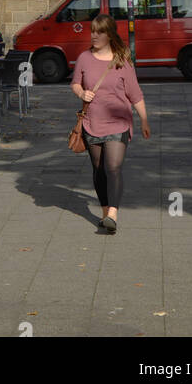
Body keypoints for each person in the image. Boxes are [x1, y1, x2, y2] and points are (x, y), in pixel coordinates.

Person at [70, 15, 150, 233]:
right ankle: (105, 212)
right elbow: (75, 83)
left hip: (119, 122)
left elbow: (135, 94)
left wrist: (143, 119)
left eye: (100, 32)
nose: (94, 35)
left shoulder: (122, 61)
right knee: (98, 170)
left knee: (112, 167)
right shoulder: (84, 58)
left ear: (110, 34)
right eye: (93, 31)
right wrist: (81, 92)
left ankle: (113, 213)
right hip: (92, 122)